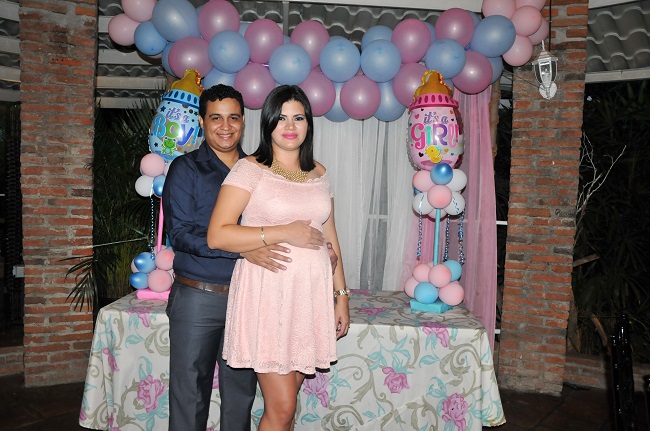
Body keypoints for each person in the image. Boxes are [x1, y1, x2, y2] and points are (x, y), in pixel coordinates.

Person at [163, 85, 326, 431]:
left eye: (234, 118)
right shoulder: (186, 168)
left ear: (244, 122)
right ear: (202, 122)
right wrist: (242, 248)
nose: (226, 126)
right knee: (190, 396)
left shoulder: (262, 167)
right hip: (200, 294)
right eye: (216, 118)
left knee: (241, 398)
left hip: (253, 299)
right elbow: (180, 234)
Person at [207, 85, 350, 431]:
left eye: (298, 118)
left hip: (309, 298)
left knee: (287, 407)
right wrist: (284, 231)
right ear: (268, 123)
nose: (289, 126)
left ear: (308, 124)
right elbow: (217, 234)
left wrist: (342, 296)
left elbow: (331, 237)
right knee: (283, 407)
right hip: (268, 298)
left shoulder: (320, 173)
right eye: (281, 117)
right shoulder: (249, 169)